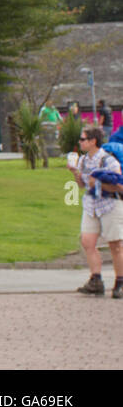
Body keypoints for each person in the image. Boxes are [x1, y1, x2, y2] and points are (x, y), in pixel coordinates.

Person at [69, 125, 123, 297]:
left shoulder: (108, 161)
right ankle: (96, 279)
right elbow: (82, 185)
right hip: (91, 205)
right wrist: (76, 174)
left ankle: (120, 282)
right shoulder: (84, 160)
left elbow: (119, 185)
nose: (80, 142)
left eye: (83, 139)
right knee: (87, 242)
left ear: (93, 141)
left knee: (115, 245)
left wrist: (98, 183)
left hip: (109, 205)